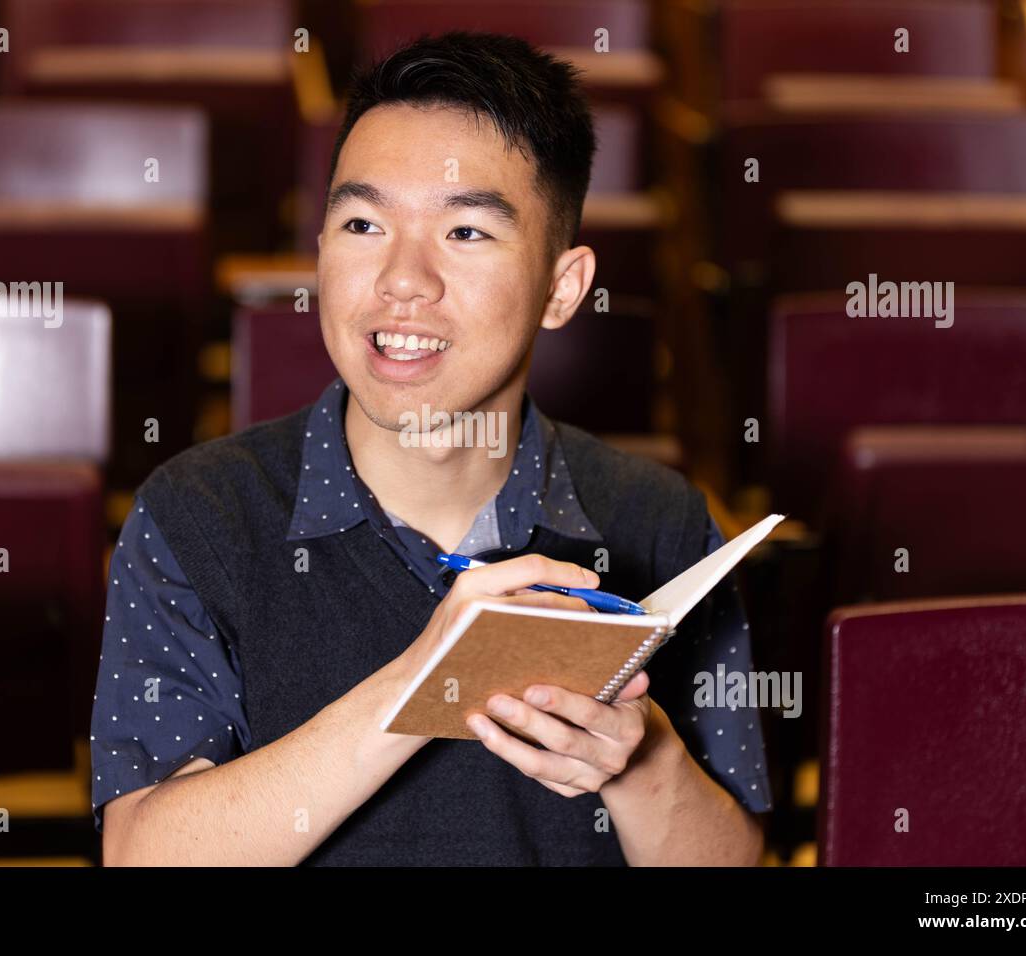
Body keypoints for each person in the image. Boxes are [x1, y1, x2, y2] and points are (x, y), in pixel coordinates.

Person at [91, 30, 772, 865]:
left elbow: (738, 859)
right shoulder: (197, 516)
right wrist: (427, 680)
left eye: (466, 233)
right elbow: (141, 854)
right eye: (363, 222)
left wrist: (642, 762)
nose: (402, 280)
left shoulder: (659, 522)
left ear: (562, 288)